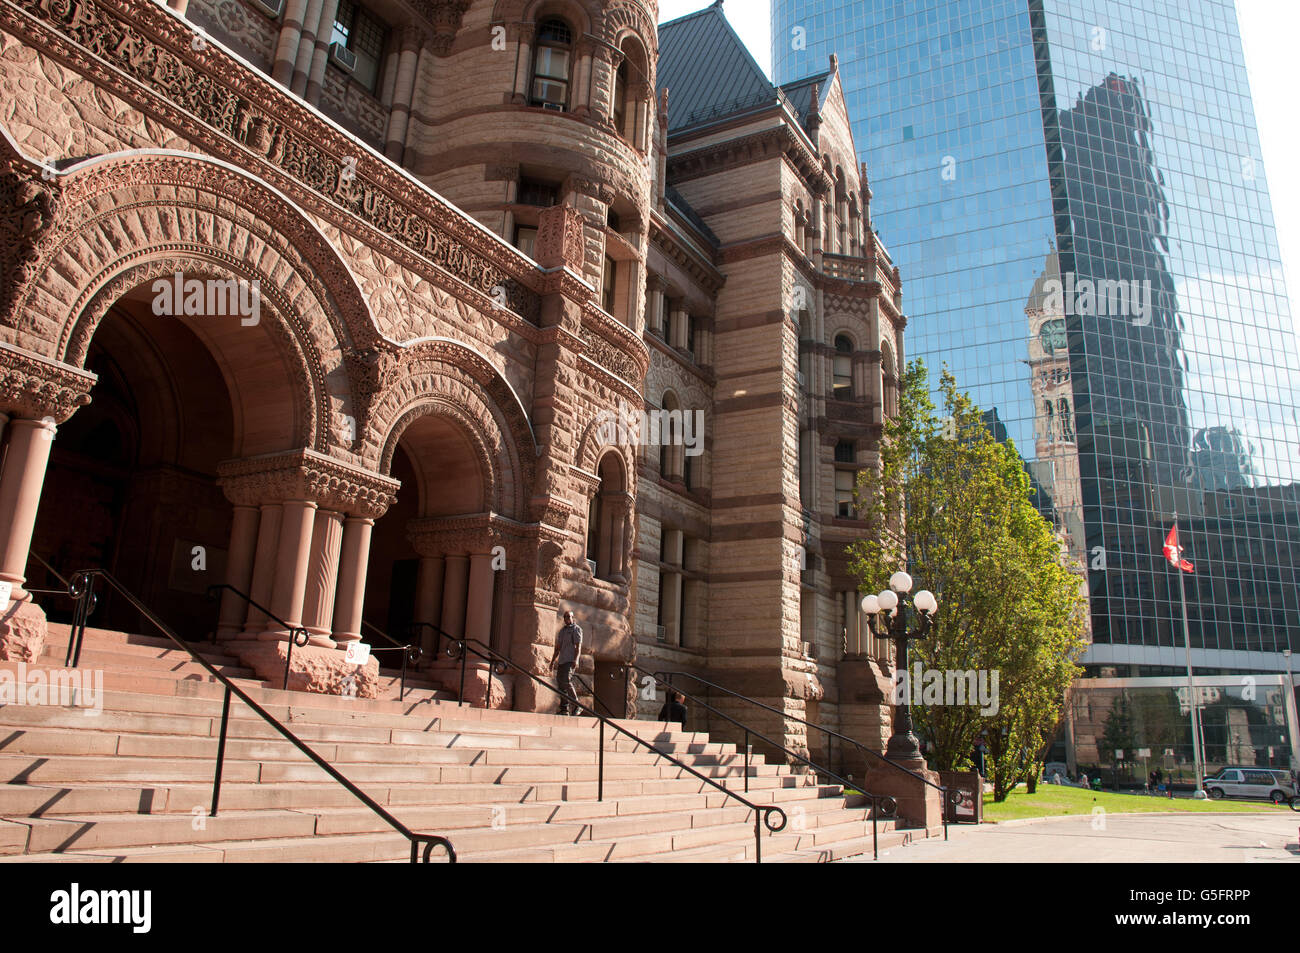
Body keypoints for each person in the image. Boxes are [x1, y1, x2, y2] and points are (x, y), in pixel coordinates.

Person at [549, 610, 583, 716]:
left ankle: (577, 705)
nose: (567, 618)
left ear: (573, 618)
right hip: (562, 660)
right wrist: (552, 661)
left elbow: (578, 647)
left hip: (570, 660)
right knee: (561, 684)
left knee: (567, 681)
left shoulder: (576, 629)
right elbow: (558, 648)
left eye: (569, 616)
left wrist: (576, 660)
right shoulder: (562, 631)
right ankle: (564, 708)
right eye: (565, 617)